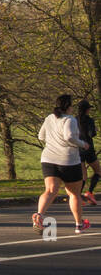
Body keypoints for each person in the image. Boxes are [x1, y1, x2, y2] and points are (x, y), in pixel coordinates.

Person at [35, 94, 92, 234]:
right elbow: (69, 137)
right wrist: (82, 144)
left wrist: (53, 141)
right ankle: (79, 225)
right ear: (68, 106)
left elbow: (41, 136)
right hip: (68, 160)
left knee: (50, 190)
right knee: (74, 194)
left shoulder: (49, 118)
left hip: (48, 159)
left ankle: (39, 215)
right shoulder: (70, 119)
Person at [77, 99, 100, 205]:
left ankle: (78, 197)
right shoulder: (90, 120)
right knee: (98, 171)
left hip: (78, 149)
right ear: (87, 109)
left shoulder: (73, 120)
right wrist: (94, 129)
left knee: (83, 176)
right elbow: (91, 134)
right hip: (89, 149)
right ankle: (89, 192)